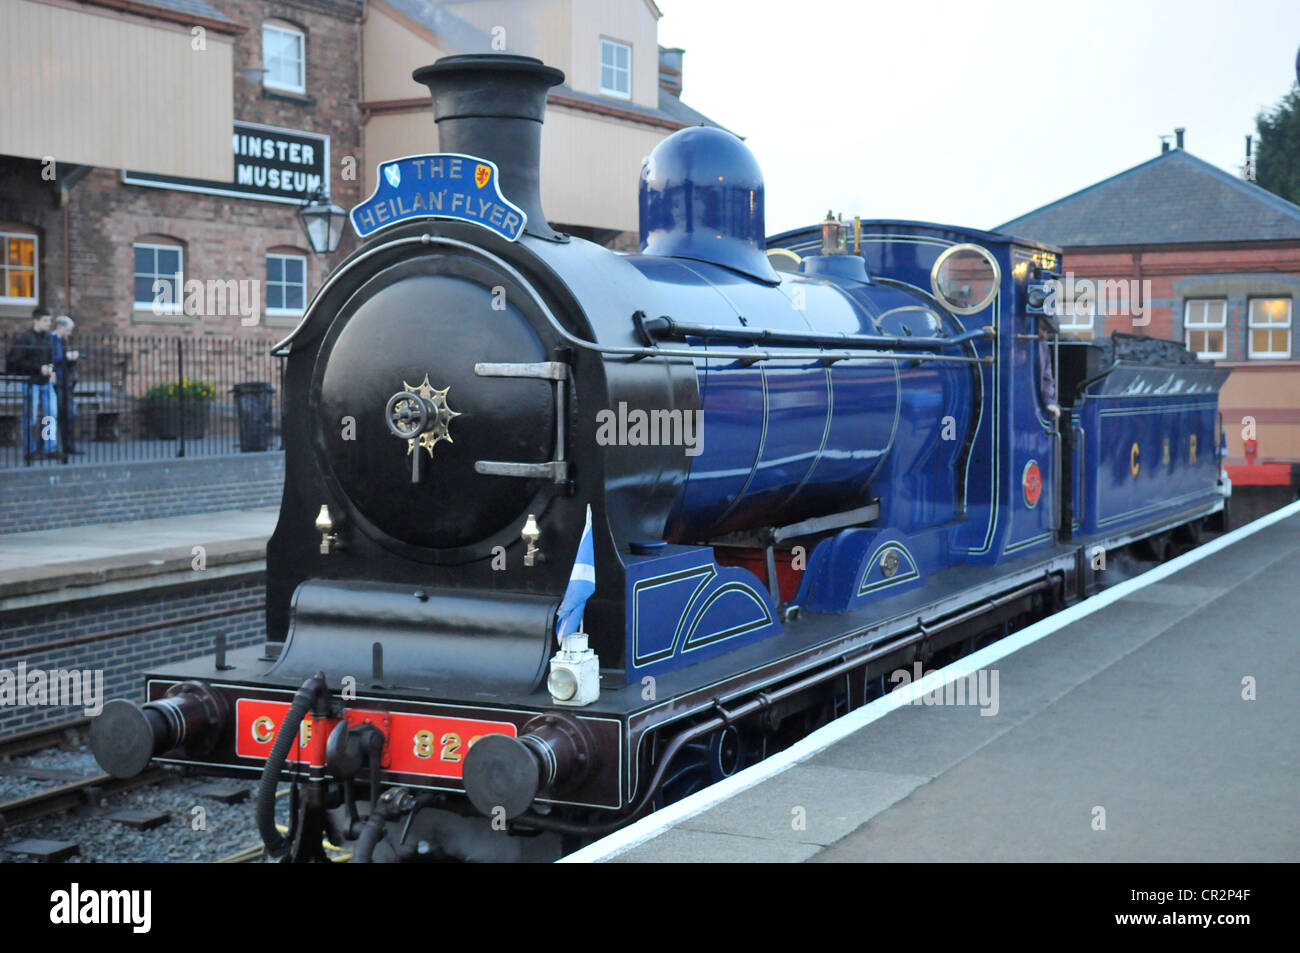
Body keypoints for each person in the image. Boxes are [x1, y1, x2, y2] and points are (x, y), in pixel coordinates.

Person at [4, 308, 58, 460]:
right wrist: (38, 368)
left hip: (46, 381)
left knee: (50, 415)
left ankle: (50, 448)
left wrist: (50, 368)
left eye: (49, 320)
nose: (48, 324)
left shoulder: (48, 339)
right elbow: (14, 363)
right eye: (45, 320)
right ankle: (30, 450)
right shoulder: (25, 339)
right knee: (31, 416)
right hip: (30, 381)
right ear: (36, 320)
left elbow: (52, 357)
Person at [52, 315, 81, 455]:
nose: (69, 333)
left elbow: (64, 363)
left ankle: (69, 446)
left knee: (68, 415)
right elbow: (52, 358)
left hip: (65, 381)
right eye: (68, 330)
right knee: (52, 415)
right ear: (61, 327)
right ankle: (49, 447)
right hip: (54, 382)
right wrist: (67, 357)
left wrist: (72, 359)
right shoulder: (51, 340)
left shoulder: (62, 341)